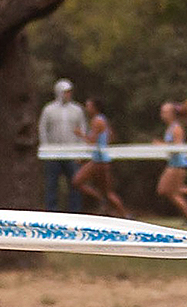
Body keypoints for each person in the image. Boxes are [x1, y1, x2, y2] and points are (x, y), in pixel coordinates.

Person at [70, 98, 129, 217]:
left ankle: (111, 206)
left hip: (99, 161)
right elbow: (110, 136)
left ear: (95, 107)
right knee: (108, 192)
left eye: (89, 106)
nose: (87, 108)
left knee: (77, 181)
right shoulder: (102, 120)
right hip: (100, 159)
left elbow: (92, 141)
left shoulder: (97, 121)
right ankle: (121, 213)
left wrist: (80, 134)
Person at [37, 78, 85, 212]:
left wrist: (81, 151)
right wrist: (46, 149)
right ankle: (51, 211)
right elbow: (43, 129)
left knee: (75, 183)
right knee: (51, 185)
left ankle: (75, 212)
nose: (68, 95)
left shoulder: (77, 110)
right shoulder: (49, 110)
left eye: (69, 92)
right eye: (65, 92)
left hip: (72, 153)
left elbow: (82, 130)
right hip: (53, 153)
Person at [155, 100, 187, 222]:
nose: (162, 114)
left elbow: (176, 148)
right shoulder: (170, 128)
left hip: (178, 164)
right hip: (173, 163)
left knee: (170, 192)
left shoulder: (176, 128)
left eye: (165, 112)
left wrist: (160, 145)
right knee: (165, 190)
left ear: (172, 114)